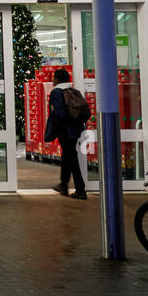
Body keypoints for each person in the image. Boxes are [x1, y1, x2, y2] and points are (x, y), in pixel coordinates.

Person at [45, 68, 89, 200]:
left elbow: (57, 113)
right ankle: (63, 184)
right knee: (67, 155)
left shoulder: (56, 92)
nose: (52, 80)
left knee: (71, 157)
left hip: (65, 130)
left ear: (56, 80)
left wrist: (57, 129)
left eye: (53, 78)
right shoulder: (73, 91)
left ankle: (80, 190)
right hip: (75, 129)